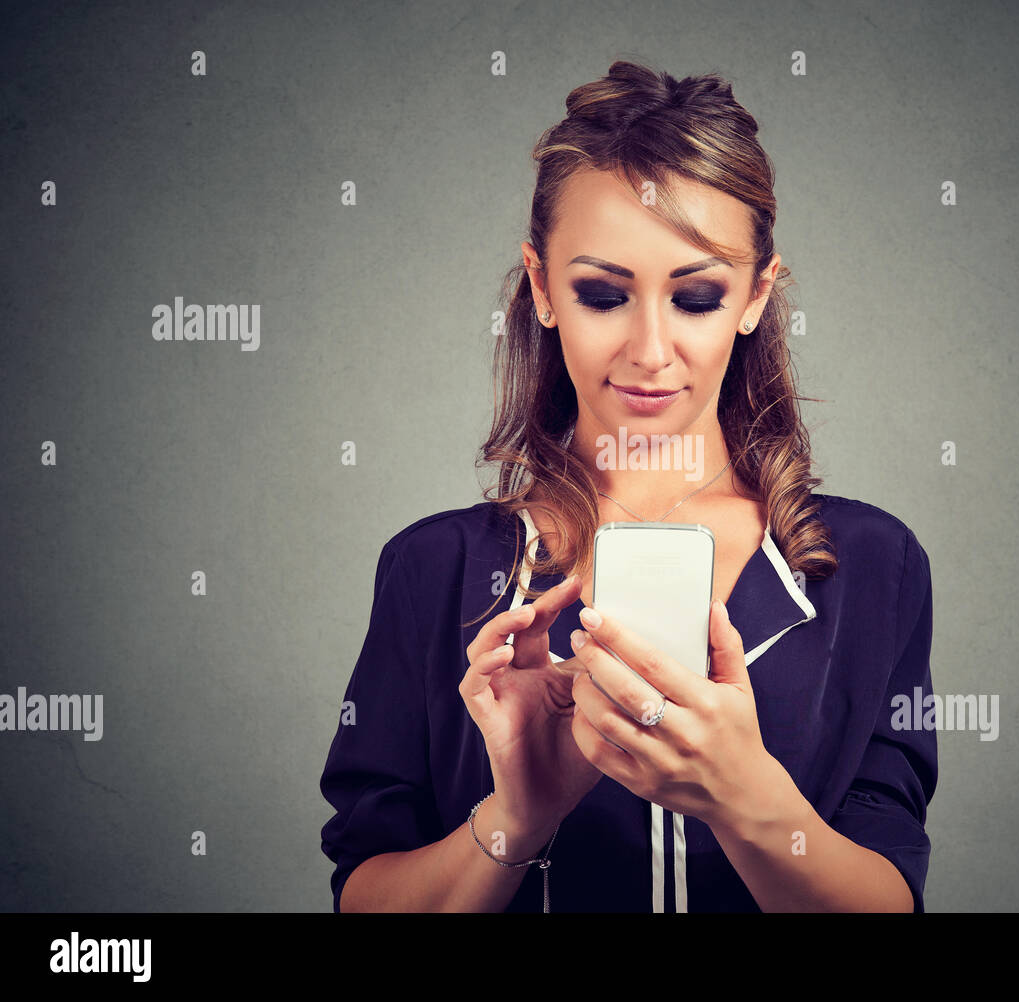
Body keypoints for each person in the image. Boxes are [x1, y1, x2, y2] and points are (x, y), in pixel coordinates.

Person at [319, 60, 937, 913]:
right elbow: (365, 893)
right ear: (541, 288)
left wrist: (746, 799)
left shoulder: (871, 565)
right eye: (604, 293)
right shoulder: (435, 570)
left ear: (756, 296)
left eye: (696, 298)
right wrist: (515, 819)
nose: (649, 351)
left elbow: (889, 894)